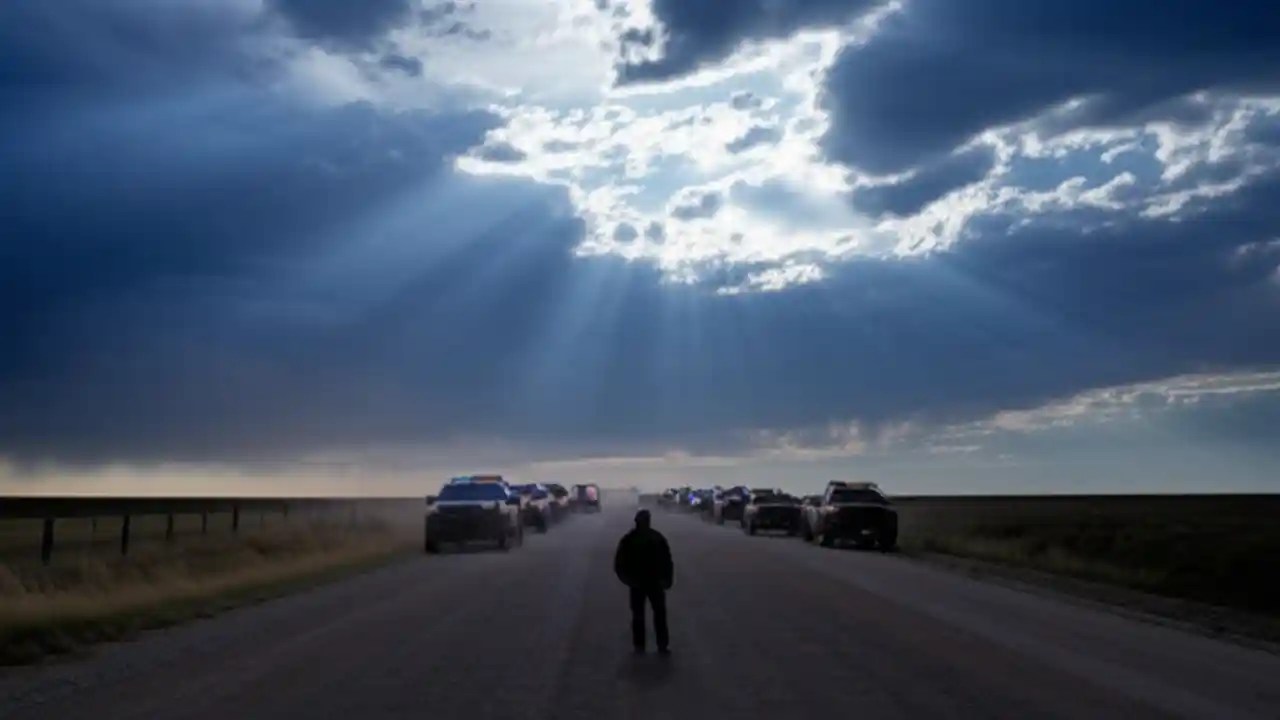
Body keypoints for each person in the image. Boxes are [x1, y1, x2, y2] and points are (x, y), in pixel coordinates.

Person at [614, 509, 674, 655]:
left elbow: (619, 564)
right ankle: (660, 645)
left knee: (641, 615)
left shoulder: (630, 539)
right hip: (650, 583)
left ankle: (641, 646)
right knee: (656, 615)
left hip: (641, 583)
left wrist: (628, 580)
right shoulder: (656, 537)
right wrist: (667, 579)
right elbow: (667, 561)